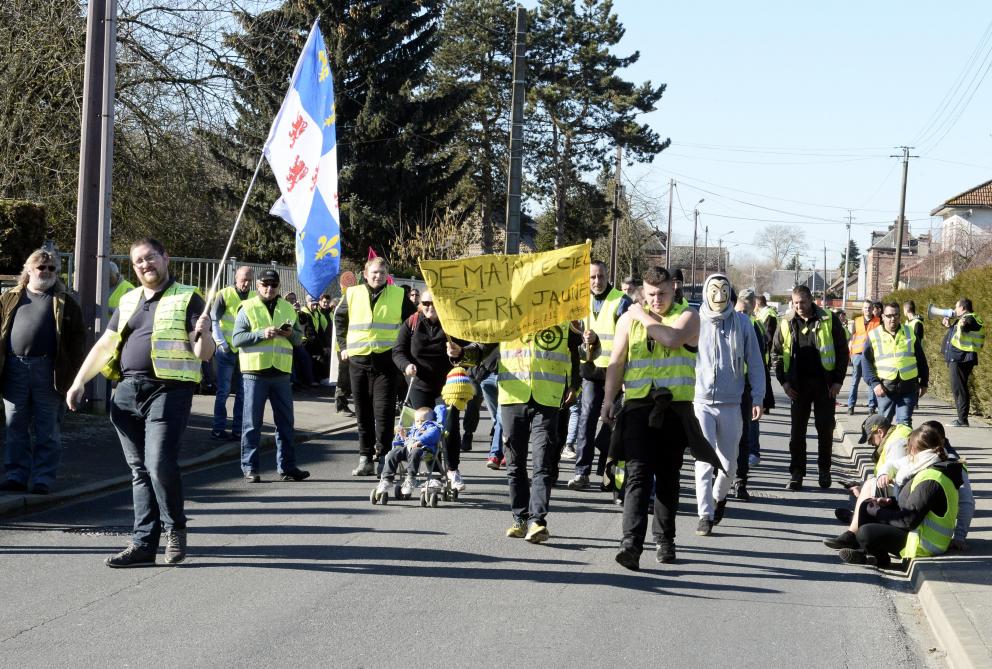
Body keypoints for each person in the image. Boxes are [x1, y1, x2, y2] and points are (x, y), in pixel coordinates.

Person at [67, 237, 215, 567]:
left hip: (169, 391)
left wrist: (204, 334)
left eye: (150, 258)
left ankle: (175, 529)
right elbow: (106, 344)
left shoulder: (188, 297)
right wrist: (79, 382)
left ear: (166, 257)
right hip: (126, 392)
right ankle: (143, 544)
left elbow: (203, 354)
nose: (145, 265)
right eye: (138, 261)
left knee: (159, 464)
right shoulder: (130, 299)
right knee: (138, 471)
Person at [603, 267, 720, 569]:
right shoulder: (628, 319)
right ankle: (630, 545)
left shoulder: (689, 316)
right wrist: (608, 399)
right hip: (638, 407)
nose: (656, 300)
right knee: (637, 476)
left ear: (674, 289)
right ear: (643, 291)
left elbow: (671, 339)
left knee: (667, 477)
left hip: (675, 411)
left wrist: (641, 316)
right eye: (651, 294)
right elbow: (617, 360)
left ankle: (665, 541)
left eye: (662, 293)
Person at [0, 249, 85, 494]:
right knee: (15, 424)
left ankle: (43, 479)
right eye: (41, 267)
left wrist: (76, 375)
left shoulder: (65, 301)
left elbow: (78, 339)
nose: (46, 272)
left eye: (51, 269)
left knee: (48, 428)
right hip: (14, 368)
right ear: (29, 269)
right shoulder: (10, 298)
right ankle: (16, 475)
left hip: (50, 369)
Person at [825, 425, 964, 568]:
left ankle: (880, 560)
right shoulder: (930, 465)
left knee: (865, 533)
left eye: (908, 449)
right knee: (867, 505)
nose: (908, 455)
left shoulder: (930, 478)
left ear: (914, 450)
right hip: (919, 530)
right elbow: (914, 504)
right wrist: (888, 501)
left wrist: (879, 512)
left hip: (925, 542)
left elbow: (908, 520)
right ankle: (864, 551)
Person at [692, 276, 765, 535]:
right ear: (705, 293)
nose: (718, 295)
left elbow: (755, 362)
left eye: (724, 291)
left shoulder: (743, 323)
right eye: (714, 290)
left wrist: (758, 397)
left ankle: (719, 497)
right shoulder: (695, 321)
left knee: (729, 463)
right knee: (703, 460)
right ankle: (704, 514)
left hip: (732, 402)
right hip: (701, 401)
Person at [498, 322, 580, 544]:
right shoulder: (506, 316)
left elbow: (575, 351)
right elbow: (483, 349)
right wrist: (462, 354)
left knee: (542, 462)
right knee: (514, 464)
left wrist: (574, 384)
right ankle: (520, 518)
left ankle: (538, 521)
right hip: (512, 398)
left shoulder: (562, 320)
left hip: (547, 399)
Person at [335, 257, 416, 475]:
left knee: (384, 412)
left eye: (381, 272)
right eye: (374, 272)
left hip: (386, 362)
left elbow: (413, 321)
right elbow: (340, 320)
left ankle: (384, 457)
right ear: (365, 273)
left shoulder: (398, 294)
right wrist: (342, 345)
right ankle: (365, 457)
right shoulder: (352, 293)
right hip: (358, 360)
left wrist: (405, 351)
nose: (377, 276)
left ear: (387, 274)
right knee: (362, 412)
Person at [232, 269, 310, 483]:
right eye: (265, 284)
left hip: (281, 374)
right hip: (255, 373)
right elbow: (237, 339)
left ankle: (287, 467)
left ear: (278, 287)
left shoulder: (287, 308)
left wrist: (290, 334)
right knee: (252, 424)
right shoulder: (247, 307)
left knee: (286, 423)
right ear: (258, 285)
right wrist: (260, 334)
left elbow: (298, 340)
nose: (269, 288)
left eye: (273, 285)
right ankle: (250, 467)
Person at [772, 284, 849, 491]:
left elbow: (843, 352)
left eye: (803, 302)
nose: (799, 307)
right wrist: (784, 383)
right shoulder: (786, 322)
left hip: (825, 386)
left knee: (825, 430)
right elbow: (777, 354)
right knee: (797, 433)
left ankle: (824, 471)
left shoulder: (828, 319)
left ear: (811, 300)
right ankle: (797, 473)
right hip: (798, 386)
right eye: (796, 303)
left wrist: (838, 382)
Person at [392, 290, 469, 491]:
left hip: (448, 386)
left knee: (449, 427)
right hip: (420, 384)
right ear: (420, 304)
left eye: (434, 303)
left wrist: (458, 352)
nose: (430, 307)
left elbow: (468, 354)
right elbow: (398, 351)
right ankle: (433, 472)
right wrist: (406, 365)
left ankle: (452, 470)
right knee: (424, 428)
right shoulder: (412, 322)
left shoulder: (452, 324)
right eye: (426, 303)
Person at [567, 260, 632, 489]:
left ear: (608, 276)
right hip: (591, 371)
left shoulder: (621, 301)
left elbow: (629, 339)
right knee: (586, 420)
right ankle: (581, 472)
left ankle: (608, 471)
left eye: (601, 276)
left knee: (612, 424)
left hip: (615, 373)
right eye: (592, 277)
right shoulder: (580, 302)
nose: (597, 281)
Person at [862, 302, 928, 427]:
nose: (893, 319)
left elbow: (921, 358)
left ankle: (902, 447)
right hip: (885, 388)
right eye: (889, 316)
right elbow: (866, 362)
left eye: (896, 315)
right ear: (882, 317)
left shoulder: (909, 332)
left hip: (908, 387)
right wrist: (874, 384)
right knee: (883, 423)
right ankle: (882, 447)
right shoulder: (874, 335)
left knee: (904, 423)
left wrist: (924, 381)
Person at [209, 265, 254, 441]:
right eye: (244, 279)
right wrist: (221, 343)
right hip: (226, 350)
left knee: (243, 393)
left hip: (244, 351)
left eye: (249, 280)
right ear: (236, 278)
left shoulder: (253, 296)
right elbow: (214, 320)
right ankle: (218, 428)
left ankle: (237, 430)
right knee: (223, 392)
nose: (246, 283)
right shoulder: (224, 294)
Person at [732, 288, 766, 501]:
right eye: (740, 310)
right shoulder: (713, 323)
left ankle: (739, 481)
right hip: (719, 391)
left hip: (743, 389)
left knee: (743, 438)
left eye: (746, 310)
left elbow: (758, 363)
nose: (742, 315)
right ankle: (719, 480)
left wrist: (759, 395)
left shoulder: (751, 326)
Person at [373, 406, 443, 499]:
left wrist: (420, 441)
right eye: (417, 421)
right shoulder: (413, 429)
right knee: (393, 452)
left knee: (415, 451)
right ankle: (387, 479)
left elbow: (432, 435)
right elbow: (407, 441)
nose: (420, 423)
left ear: (430, 420)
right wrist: (403, 436)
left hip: (424, 450)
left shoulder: (432, 427)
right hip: (408, 449)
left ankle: (411, 478)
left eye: (423, 421)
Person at [941, 298, 984, 427]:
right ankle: (961, 418)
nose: (954, 310)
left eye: (956, 307)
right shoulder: (962, 319)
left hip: (961, 358)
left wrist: (964, 323)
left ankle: (962, 419)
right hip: (958, 357)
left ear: (963, 308)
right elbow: (958, 334)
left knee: (959, 389)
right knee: (958, 388)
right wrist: (949, 325)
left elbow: (970, 325)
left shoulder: (971, 318)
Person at [846, 300, 880, 416]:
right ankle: (851, 406)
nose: (867, 310)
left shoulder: (878, 321)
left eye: (869, 307)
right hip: (857, 355)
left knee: (871, 381)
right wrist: (850, 355)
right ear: (862, 309)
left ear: (873, 309)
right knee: (855, 381)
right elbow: (852, 339)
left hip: (871, 355)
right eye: (865, 307)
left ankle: (872, 407)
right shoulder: (857, 321)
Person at [753, 294, 777, 415]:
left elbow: (768, 335)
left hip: (765, 351)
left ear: (757, 304)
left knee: (764, 379)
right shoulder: (762, 313)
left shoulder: (769, 314)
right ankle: (766, 403)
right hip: (763, 350)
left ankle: (766, 404)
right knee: (764, 379)